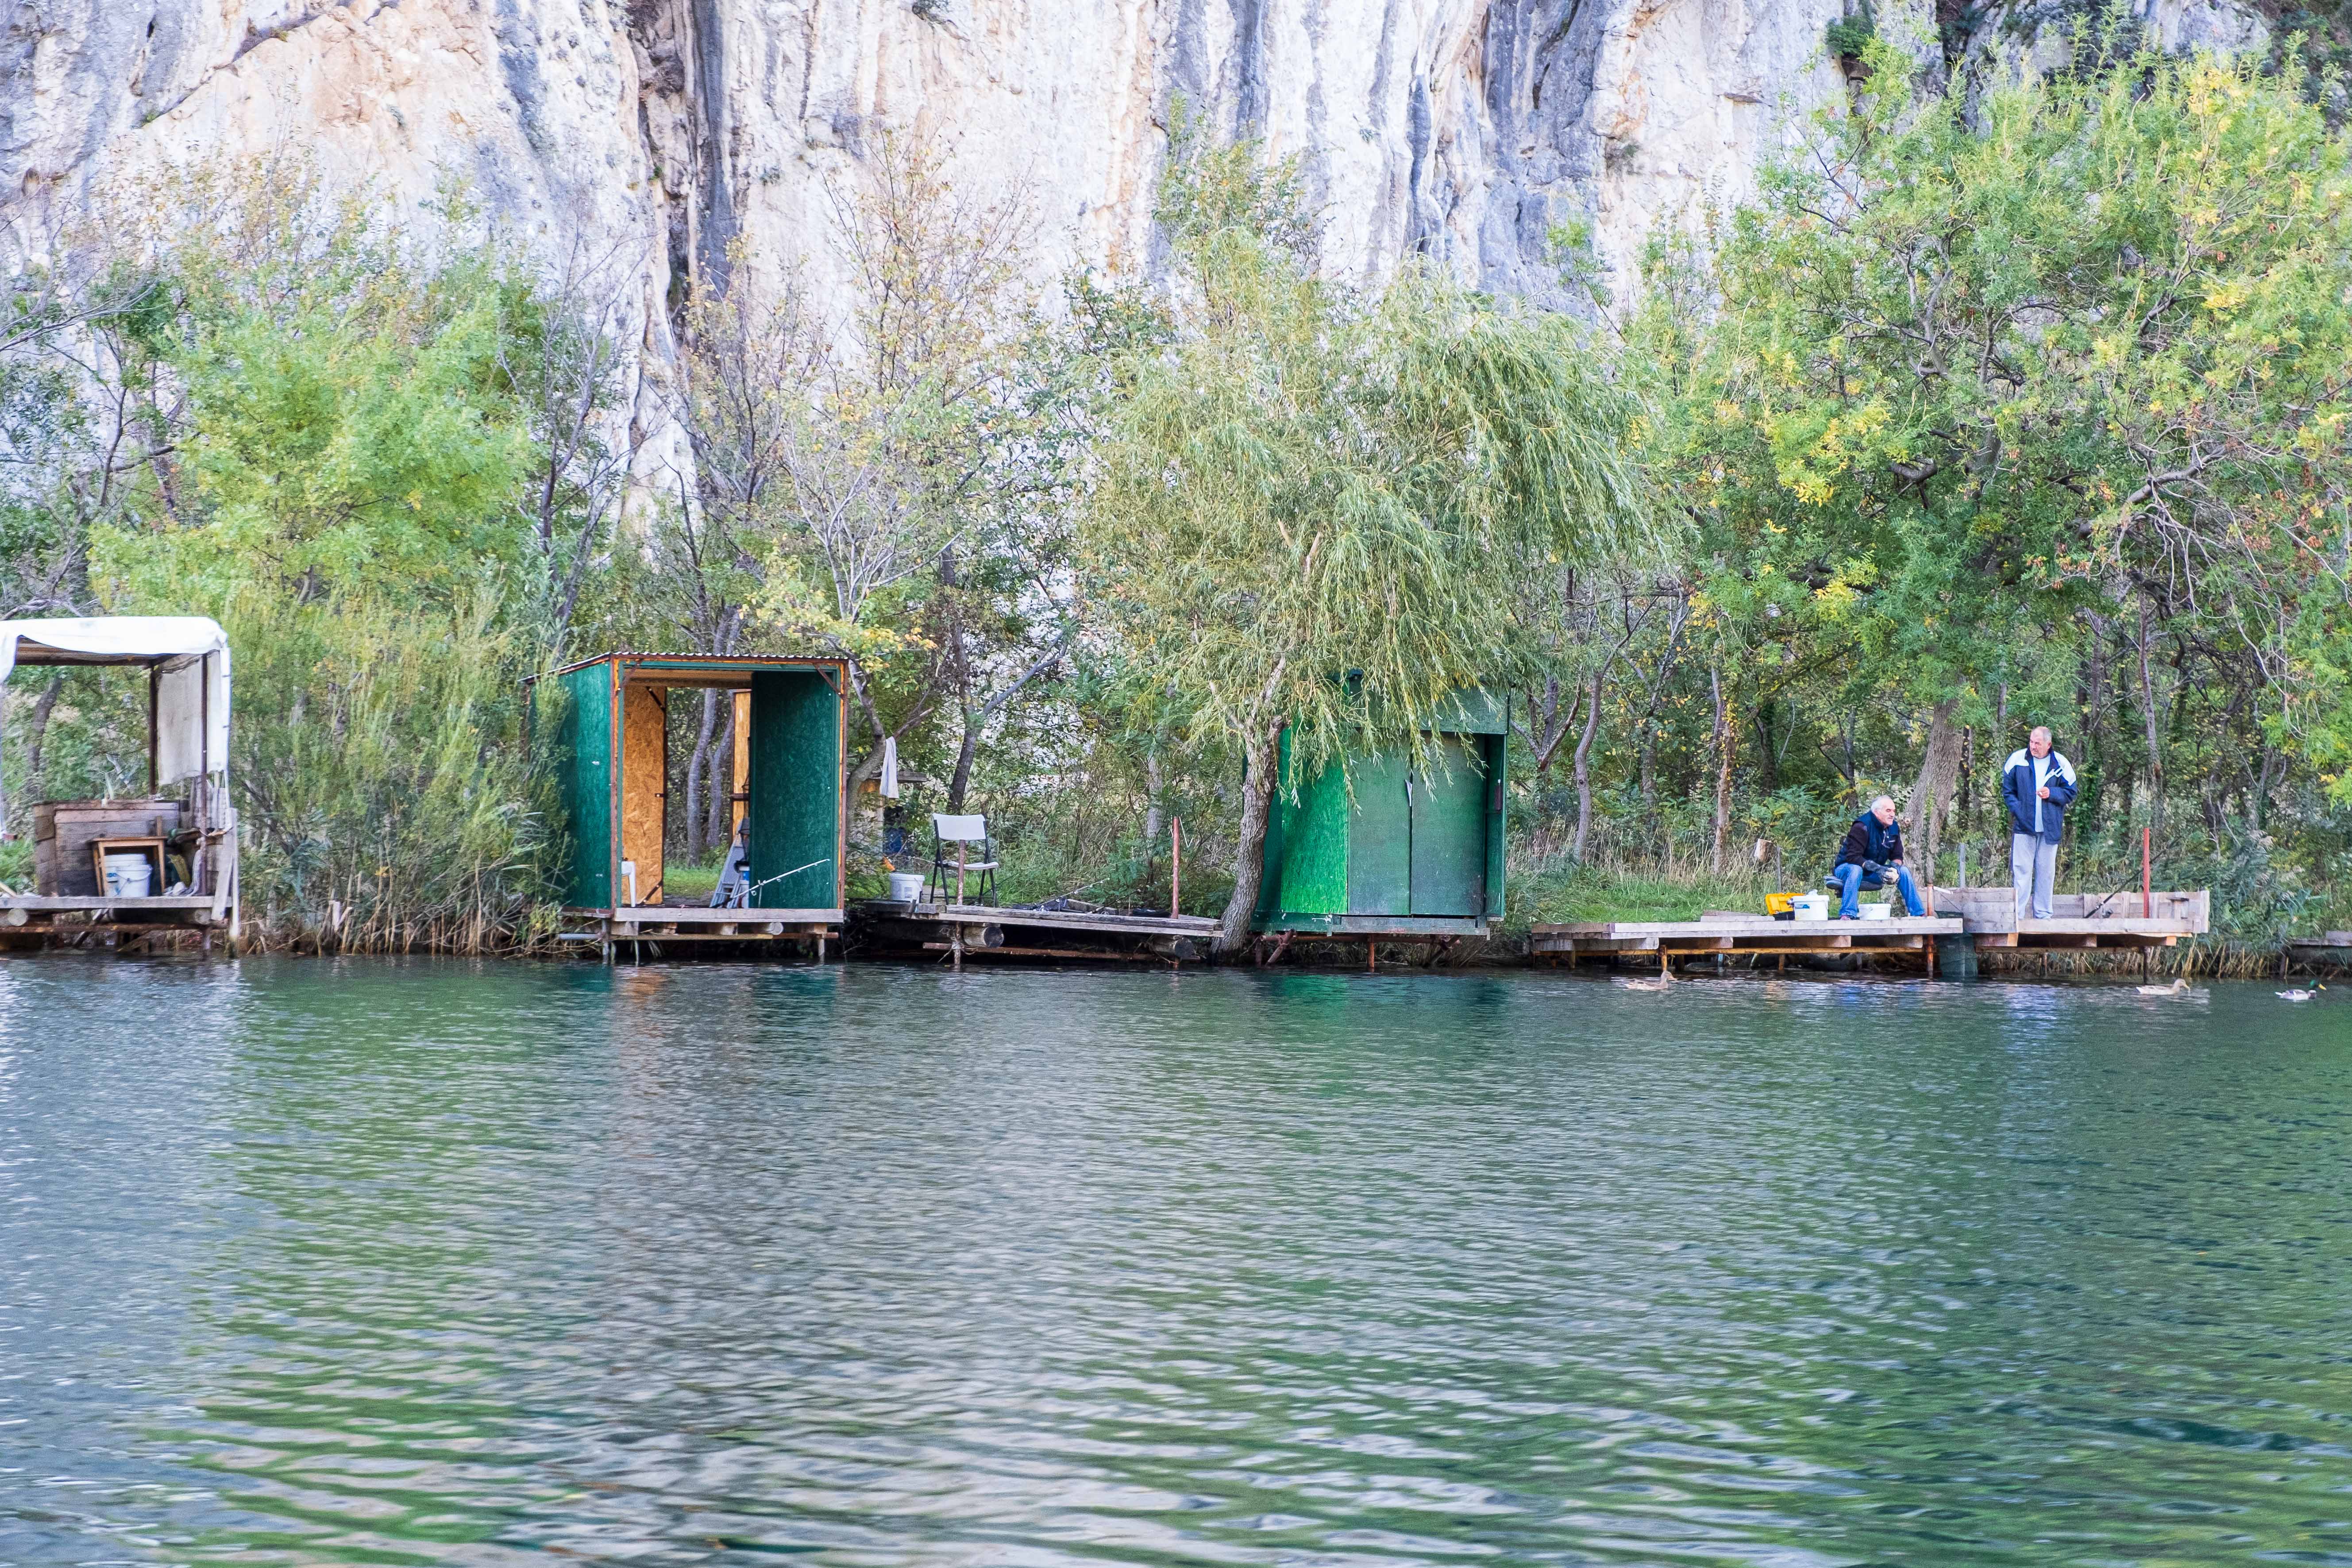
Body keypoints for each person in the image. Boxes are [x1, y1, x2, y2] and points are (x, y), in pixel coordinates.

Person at [2002, 725, 2078, 921]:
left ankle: (2043, 916)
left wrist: (2052, 793)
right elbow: (2008, 791)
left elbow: (2071, 792)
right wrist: (2019, 811)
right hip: (2023, 828)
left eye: (2038, 743)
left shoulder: (2060, 763)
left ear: (2048, 744)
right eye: (2031, 742)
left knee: (2046, 873)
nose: (2033, 746)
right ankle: (2017, 916)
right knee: (2021, 872)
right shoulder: (2017, 760)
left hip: (2049, 829)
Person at [1829, 795, 1926, 919]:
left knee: (1904, 871)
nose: (1892, 815)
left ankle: (1918, 914)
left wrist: (1894, 870)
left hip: (1873, 871)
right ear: (1876, 812)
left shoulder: (1894, 828)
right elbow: (1853, 858)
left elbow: (1897, 856)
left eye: (1894, 811)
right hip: (1846, 868)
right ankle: (1848, 914)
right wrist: (1878, 869)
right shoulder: (1862, 826)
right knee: (1856, 870)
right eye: (1888, 811)